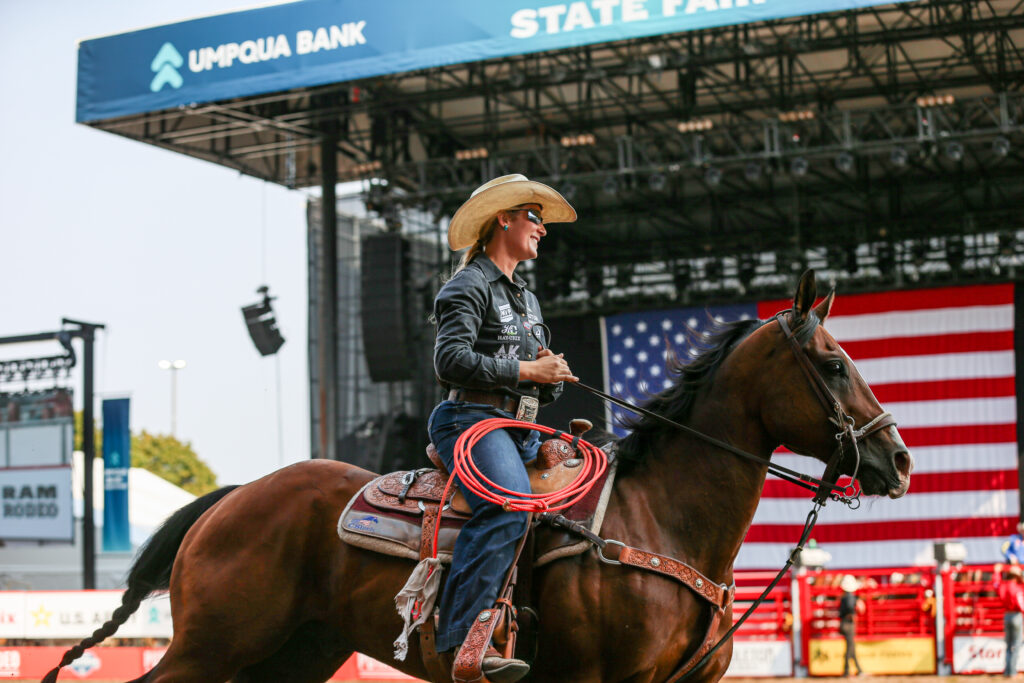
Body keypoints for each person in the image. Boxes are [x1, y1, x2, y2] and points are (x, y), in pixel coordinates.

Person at [428, 174, 578, 683]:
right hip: (470, 420)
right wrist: (525, 371)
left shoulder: (528, 301)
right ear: (504, 220)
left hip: (520, 427)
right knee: (509, 503)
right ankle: (463, 640)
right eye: (534, 218)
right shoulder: (467, 285)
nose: (542, 229)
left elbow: (532, 377)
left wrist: (548, 374)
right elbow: (449, 360)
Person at [995, 563, 1024, 677]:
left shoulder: (1003, 586)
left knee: (1008, 644)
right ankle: (1012, 671)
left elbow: (996, 585)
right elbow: (1021, 602)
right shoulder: (1018, 587)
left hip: (1006, 615)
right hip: (1016, 615)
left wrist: (996, 573)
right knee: (1016, 644)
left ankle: (1007, 670)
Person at [838, 574, 865, 677]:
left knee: (851, 647)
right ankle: (846, 670)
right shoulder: (850, 597)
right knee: (850, 648)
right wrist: (853, 615)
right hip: (848, 624)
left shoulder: (844, 597)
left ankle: (857, 669)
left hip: (844, 623)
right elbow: (850, 607)